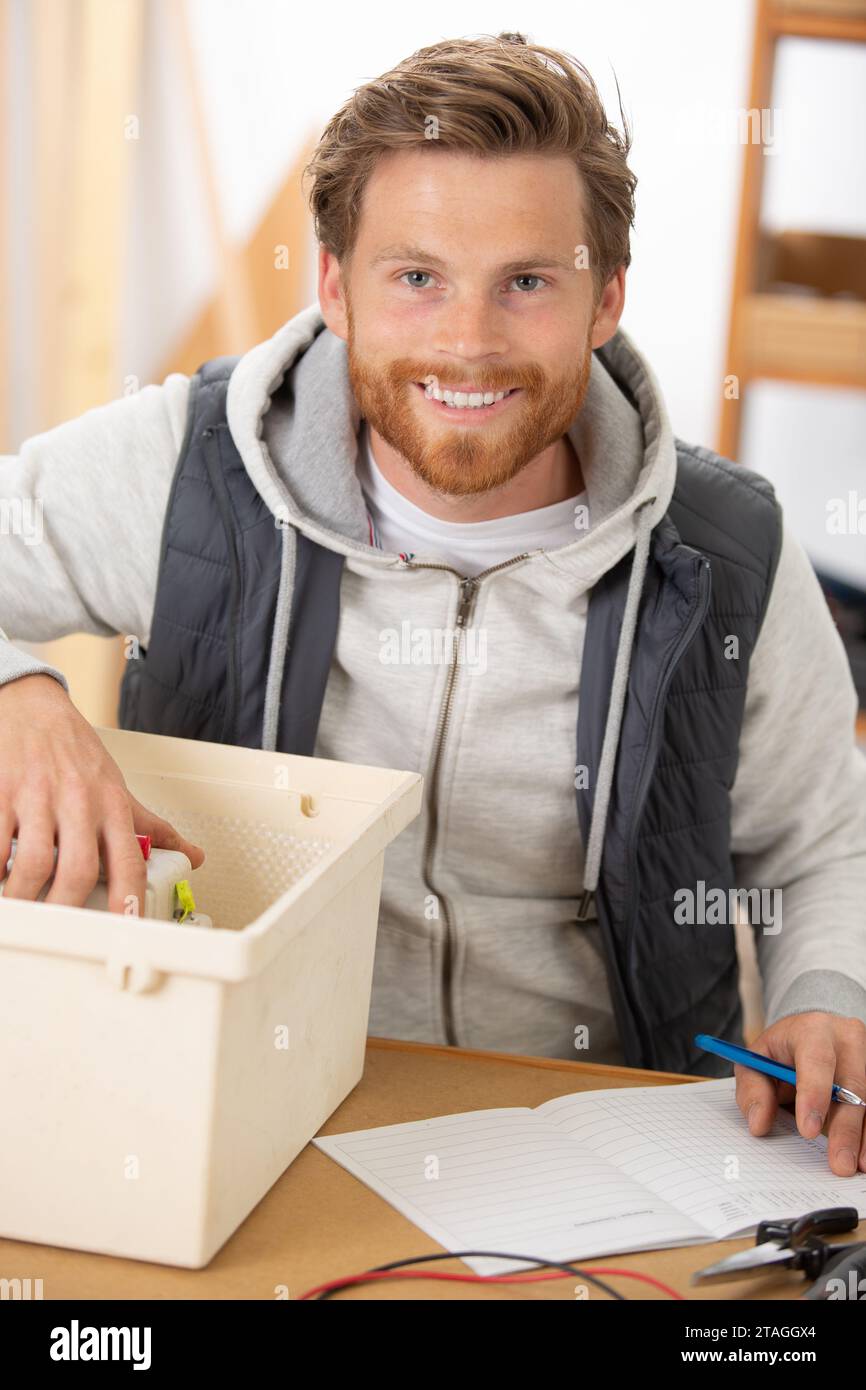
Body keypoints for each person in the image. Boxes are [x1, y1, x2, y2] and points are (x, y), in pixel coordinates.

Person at [2, 33, 865, 1175]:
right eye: (414, 278)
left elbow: (817, 844)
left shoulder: (727, 550)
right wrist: (20, 692)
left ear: (603, 298)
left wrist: (824, 991)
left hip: (601, 1134)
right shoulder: (182, 468)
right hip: (236, 1118)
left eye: (526, 282)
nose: (467, 341)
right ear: (333, 289)